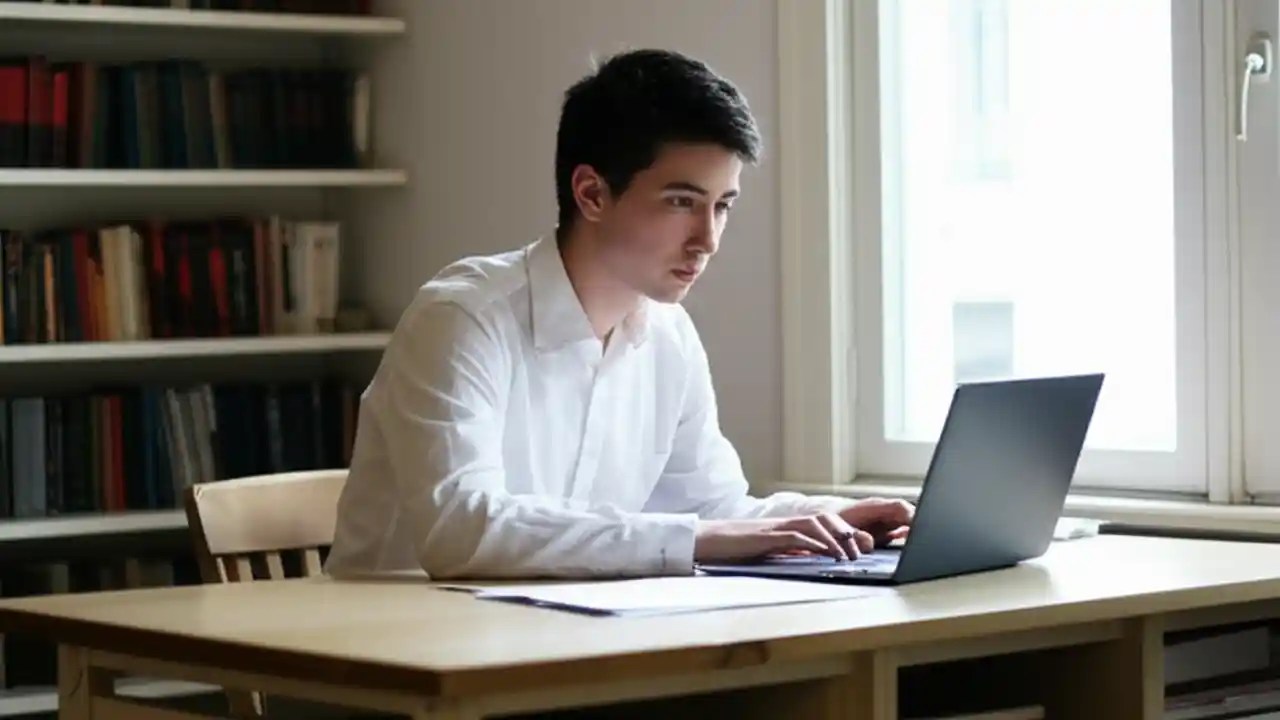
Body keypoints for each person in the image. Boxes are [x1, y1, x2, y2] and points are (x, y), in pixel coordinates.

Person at [324, 48, 913, 580]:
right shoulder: (460, 318)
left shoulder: (668, 335)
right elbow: (462, 529)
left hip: (560, 647)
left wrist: (831, 517)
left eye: (722, 206)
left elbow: (714, 510)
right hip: (403, 668)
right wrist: (708, 537)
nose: (707, 239)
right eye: (681, 202)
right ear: (592, 194)